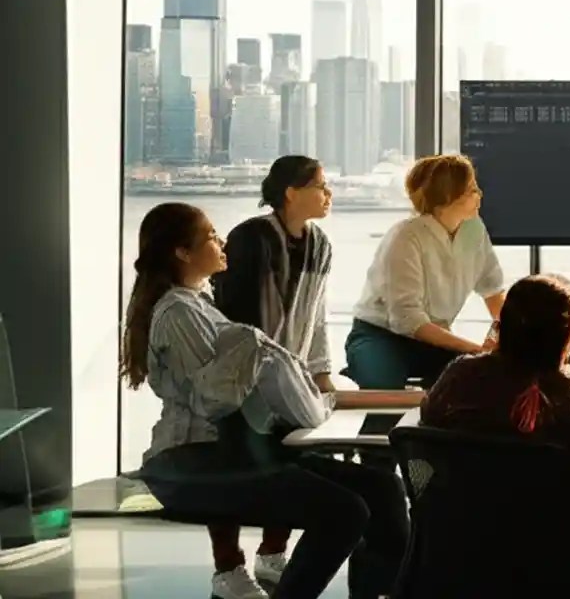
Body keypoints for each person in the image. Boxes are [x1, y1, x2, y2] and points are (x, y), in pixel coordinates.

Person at [122, 203, 413, 599]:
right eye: (211, 236)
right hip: (195, 462)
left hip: (234, 453)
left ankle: (377, 591)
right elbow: (211, 401)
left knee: (383, 488)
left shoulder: (198, 303)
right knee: (345, 511)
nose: (221, 242)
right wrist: (253, 349)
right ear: (183, 252)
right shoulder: (177, 313)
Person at [419, 274, 570, 565]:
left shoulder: (457, 377)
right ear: (568, 337)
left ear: (501, 325)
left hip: (464, 535)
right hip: (553, 545)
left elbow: (428, 422)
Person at [206, 155, 333, 591]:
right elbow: (235, 313)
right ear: (291, 193)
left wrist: (320, 372)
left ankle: (272, 553)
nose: (328, 194)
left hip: (290, 374)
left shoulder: (320, 244)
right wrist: (256, 370)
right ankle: (228, 567)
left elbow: (316, 316)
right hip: (241, 374)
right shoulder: (251, 237)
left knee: (290, 461)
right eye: (319, 185)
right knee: (233, 468)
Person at [346, 154, 506, 390]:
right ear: (449, 196)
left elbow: (493, 291)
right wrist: (476, 350)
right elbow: (407, 319)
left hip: (434, 337)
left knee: (478, 379)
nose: (479, 194)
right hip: (380, 335)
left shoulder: (474, 229)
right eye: (472, 189)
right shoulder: (405, 237)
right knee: (383, 385)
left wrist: (505, 339)